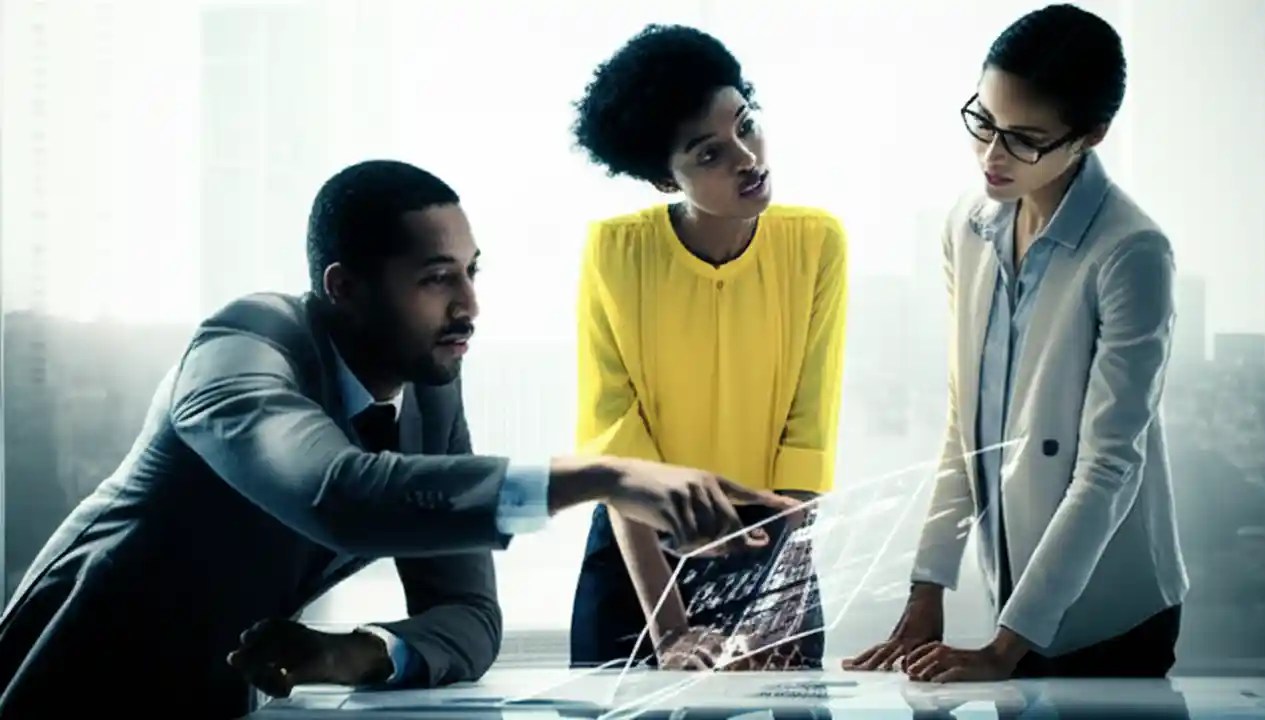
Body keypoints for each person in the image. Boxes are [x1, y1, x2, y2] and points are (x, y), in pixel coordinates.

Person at [0, 160, 799, 718]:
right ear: (343, 288)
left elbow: (467, 613)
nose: (470, 307)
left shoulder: (428, 390)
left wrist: (358, 653)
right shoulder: (242, 346)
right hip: (69, 686)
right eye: (436, 278)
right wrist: (602, 475)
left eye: (473, 272)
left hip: (219, 697)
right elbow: (338, 495)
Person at [845, 3, 1189, 684]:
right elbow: (962, 422)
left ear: (1091, 135)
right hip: (1016, 595)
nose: (992, 156)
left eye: (1025, 139)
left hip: (1111, 608)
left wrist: (1008, 645)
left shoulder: (1131, 251)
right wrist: (927, 588)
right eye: (984, 123)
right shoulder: (968, 226)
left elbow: (1109, 469)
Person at [567, 25, 849, 671]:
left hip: (773, 541)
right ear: (666, 181)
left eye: (746, 125)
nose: (746, 157)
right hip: (639, 552)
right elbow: (616, 449)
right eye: (709, 154)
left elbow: (806, 441)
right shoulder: (616, 252)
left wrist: (776, 608)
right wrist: (669, 632)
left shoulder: (816, 243)